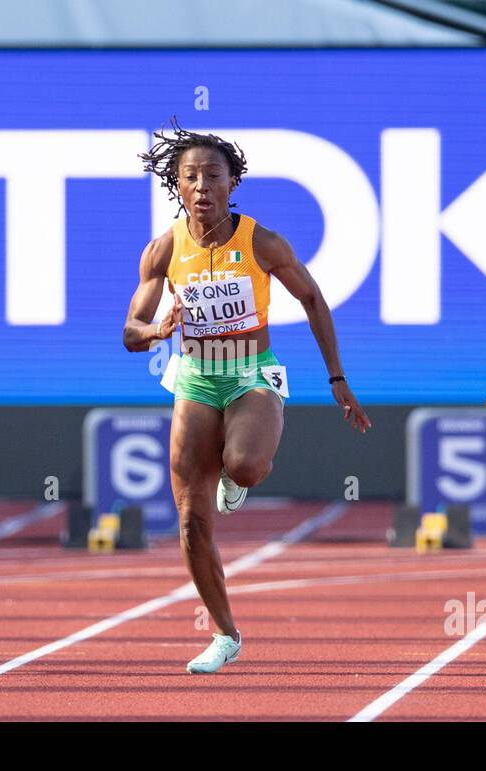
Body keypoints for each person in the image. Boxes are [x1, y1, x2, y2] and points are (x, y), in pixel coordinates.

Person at [125, 119, 371, 673]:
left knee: (247, 464)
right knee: (190, 521)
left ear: (233, 182)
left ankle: (235, 478)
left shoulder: (261, 241)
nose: (203, 186)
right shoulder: (163, 251)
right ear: (177, 185)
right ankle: (225, 634)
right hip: (193, 377)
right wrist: (156, 333)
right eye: (191, 177)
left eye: (214, 175)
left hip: (252, 371)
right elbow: (129, 332)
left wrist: (337, 379)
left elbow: (313, 301)